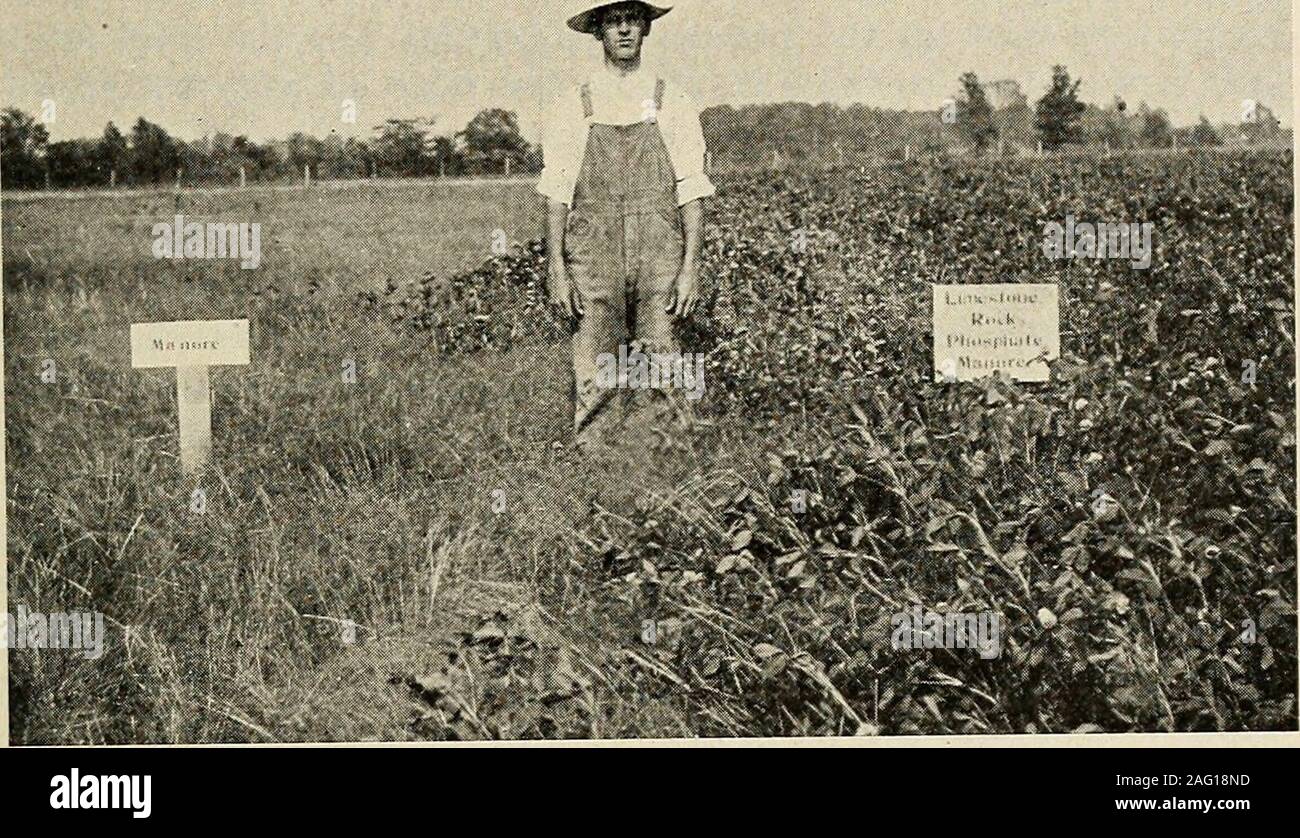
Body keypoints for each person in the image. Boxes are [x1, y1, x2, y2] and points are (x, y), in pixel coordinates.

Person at [538, 1, 714, 449]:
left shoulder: (672, 100)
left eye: (632, 20)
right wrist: (557, 268)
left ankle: (669, 458)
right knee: (596, 359)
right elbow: (557, 192)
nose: (623, 30)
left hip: (659, 247)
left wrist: (690, 267)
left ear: (645, 29)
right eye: (613, 21)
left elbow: (691, 189)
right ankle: (596, 463)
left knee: (664, 355)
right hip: (592, 247)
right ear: (598, 31)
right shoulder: (572, 104)